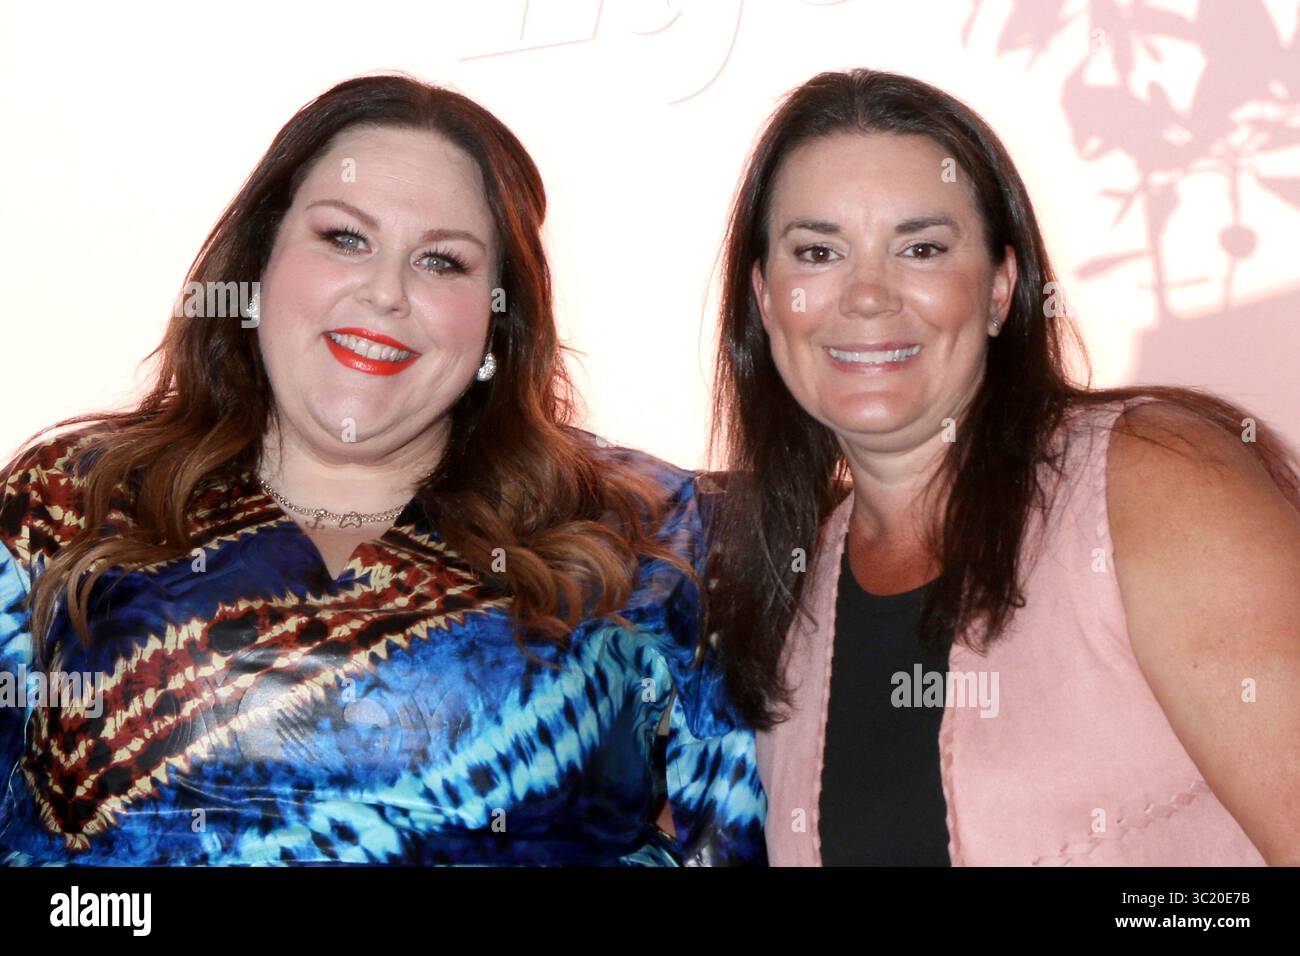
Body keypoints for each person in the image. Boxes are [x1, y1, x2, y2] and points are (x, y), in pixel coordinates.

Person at [0, 73, 766, 866]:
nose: (386, 293)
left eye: (443, 263)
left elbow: (744, 845)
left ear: (503, 318)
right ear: (258, 263)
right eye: (345, 238)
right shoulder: (68, 502)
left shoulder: (656, 533)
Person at [704, 68, 1300, 866]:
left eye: (921, 248)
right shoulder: (787, 598)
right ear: (767, 299)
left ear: (999, 290)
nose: (869, 295)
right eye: (818, 252)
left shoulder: (1154, 478)